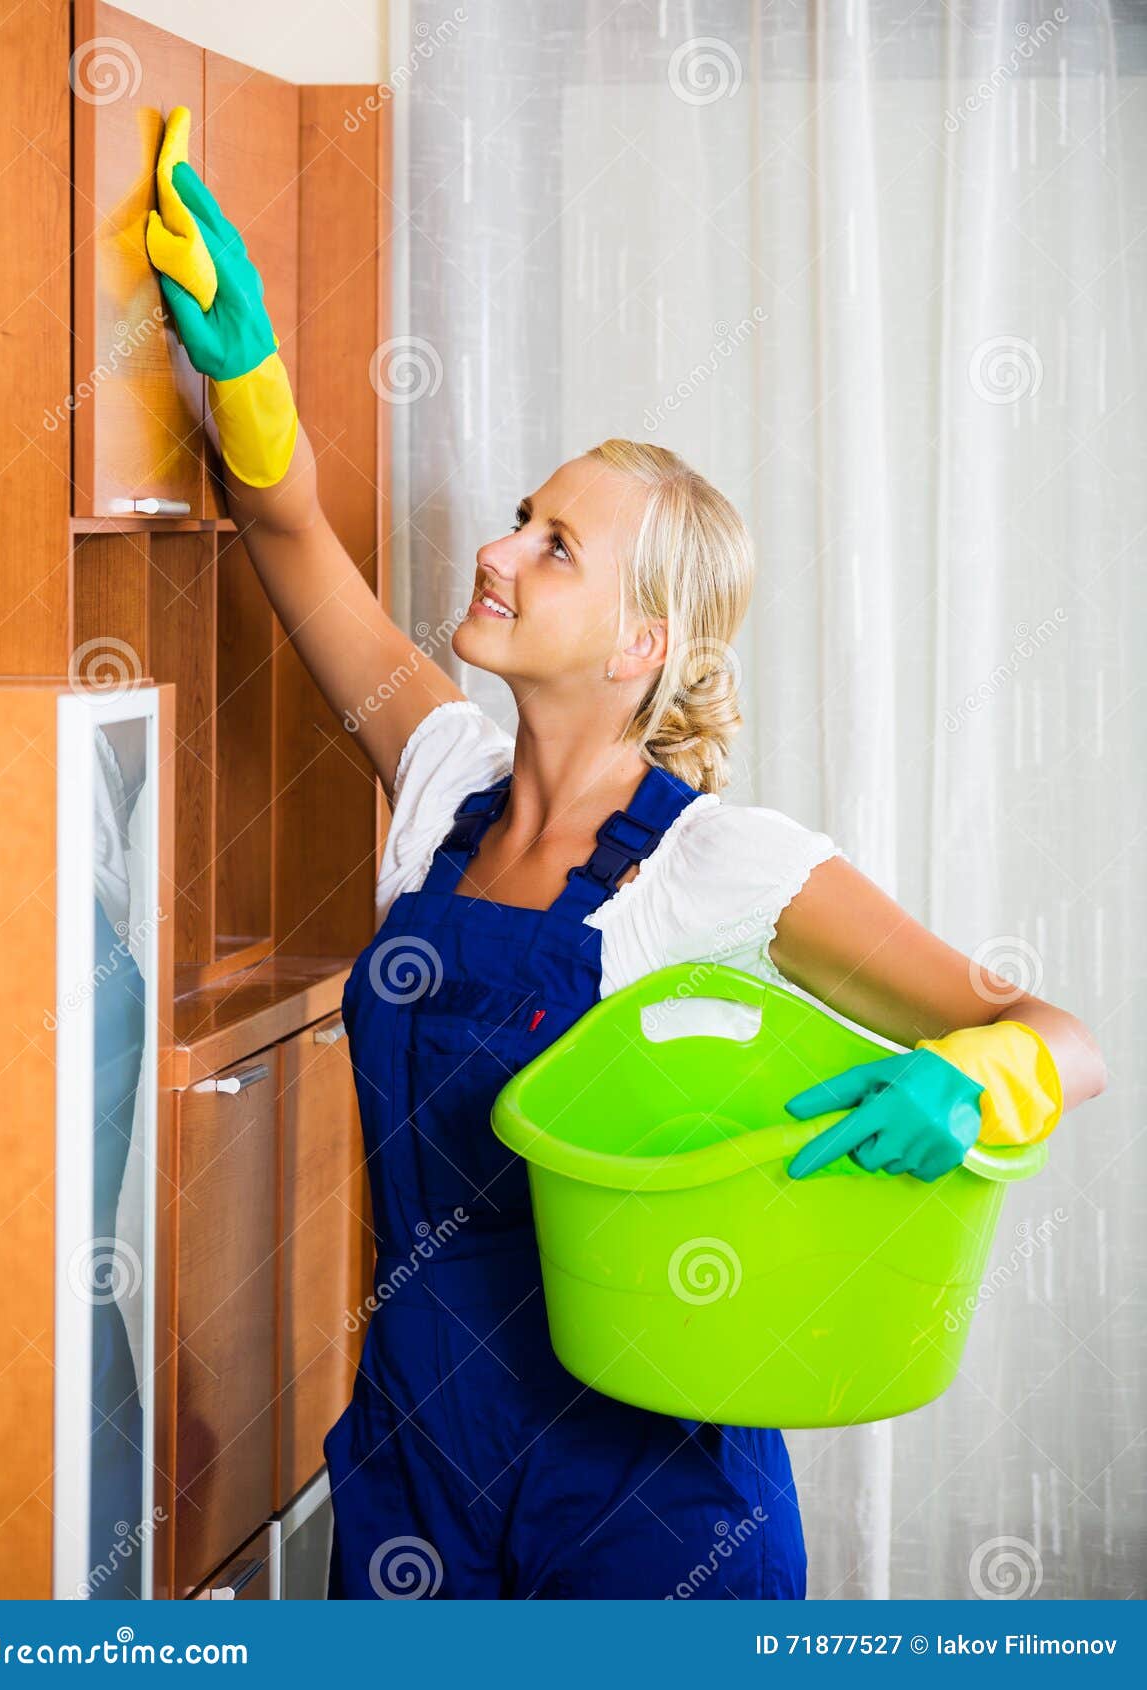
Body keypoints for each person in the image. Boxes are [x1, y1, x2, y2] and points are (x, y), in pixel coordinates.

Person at [145, 108, 1108, 1601]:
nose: (498, 551)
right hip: (417, 1469)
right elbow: (287, 538)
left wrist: (977, 1082)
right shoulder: (441, 778)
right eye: (522, 518)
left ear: (641, 643)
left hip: (652, 1513)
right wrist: (245, 377)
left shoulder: (722, 864)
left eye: (556, 548)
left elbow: (1059, 1033)